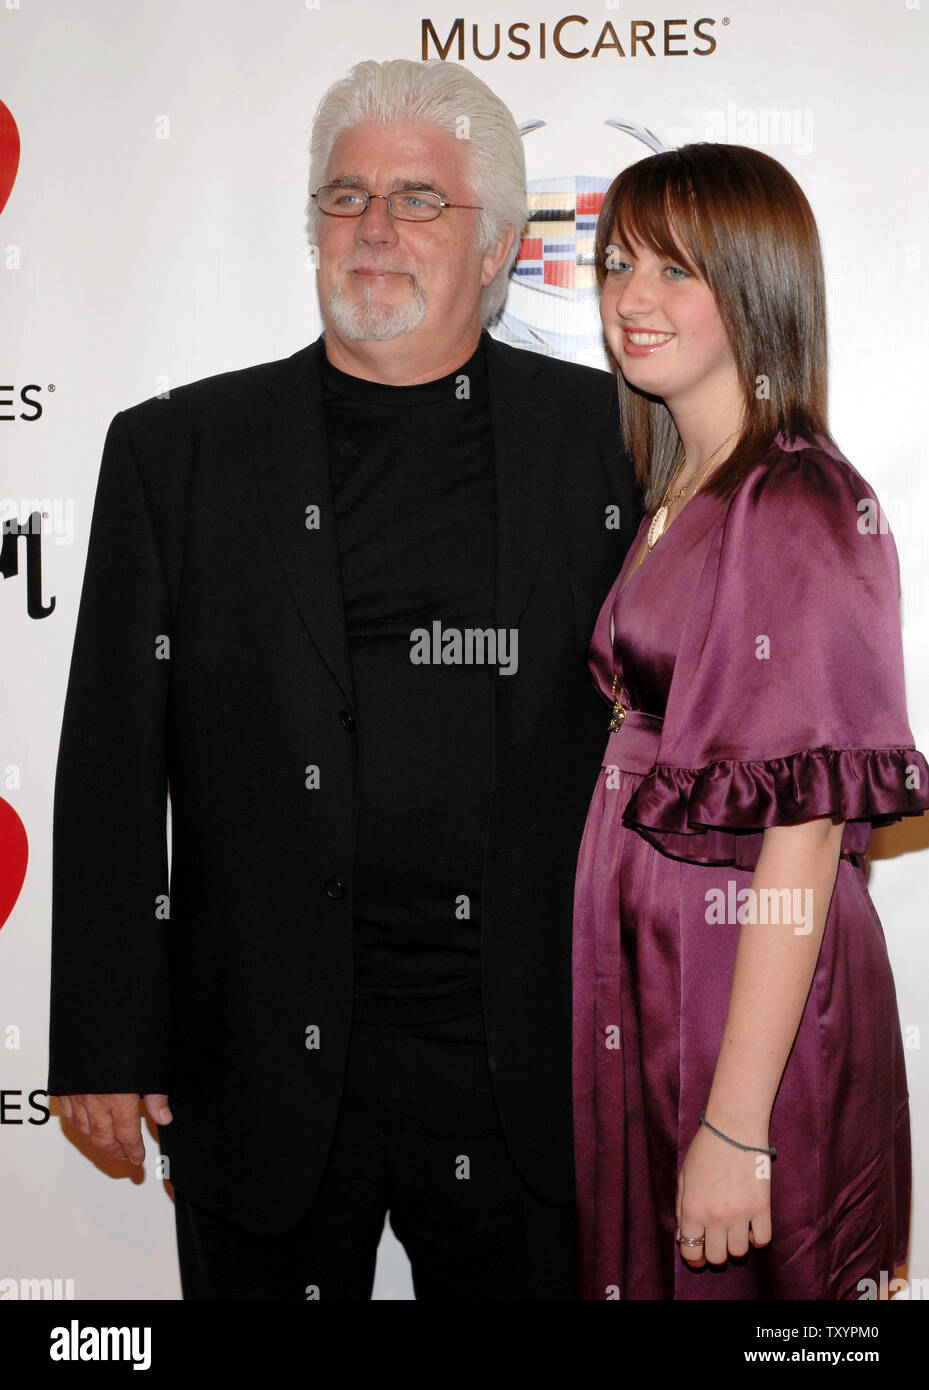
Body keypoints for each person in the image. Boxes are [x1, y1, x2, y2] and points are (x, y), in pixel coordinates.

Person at [46, 58, 642, 1300]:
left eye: (419, 199)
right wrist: (103, 1038)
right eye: (344, 195)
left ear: (493, 250)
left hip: (525, 1056)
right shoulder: (177, 452)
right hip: (259, 1049)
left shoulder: (619, 443)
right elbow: (112, 762)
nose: (373, 226)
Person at [572, 141, 929, 1300]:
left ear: (756, 284)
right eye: (618, 262)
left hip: (744, 1010)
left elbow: (805, 834)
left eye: (675, 269)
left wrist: (733, 1127)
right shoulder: (683, 486)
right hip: (662, 980)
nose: (631, 297)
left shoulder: (796, 499)